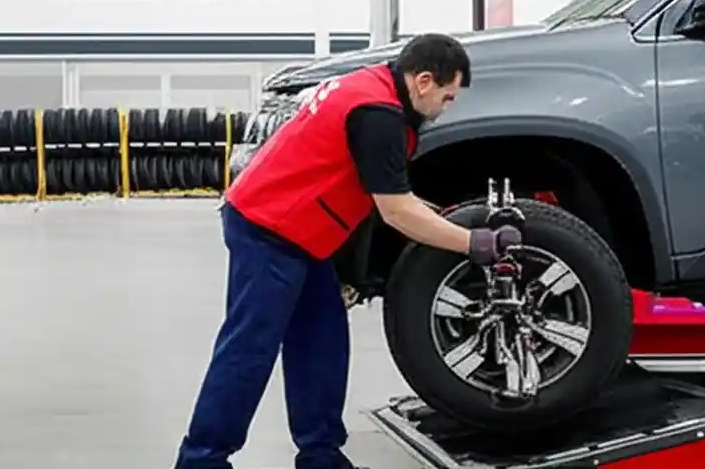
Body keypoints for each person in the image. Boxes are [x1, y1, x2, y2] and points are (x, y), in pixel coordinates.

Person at [172, 33, 522, 469]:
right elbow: (396, 211)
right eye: (448, 96)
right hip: (268, 228)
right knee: (250, 347)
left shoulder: (373, 84)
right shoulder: (378, 115)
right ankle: (201, 459)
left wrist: (450, 218)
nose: (448, 107)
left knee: (322, 342)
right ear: (424, 82)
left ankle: (321, 457)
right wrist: (474, 243)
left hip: (304, 231)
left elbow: (387, 192)